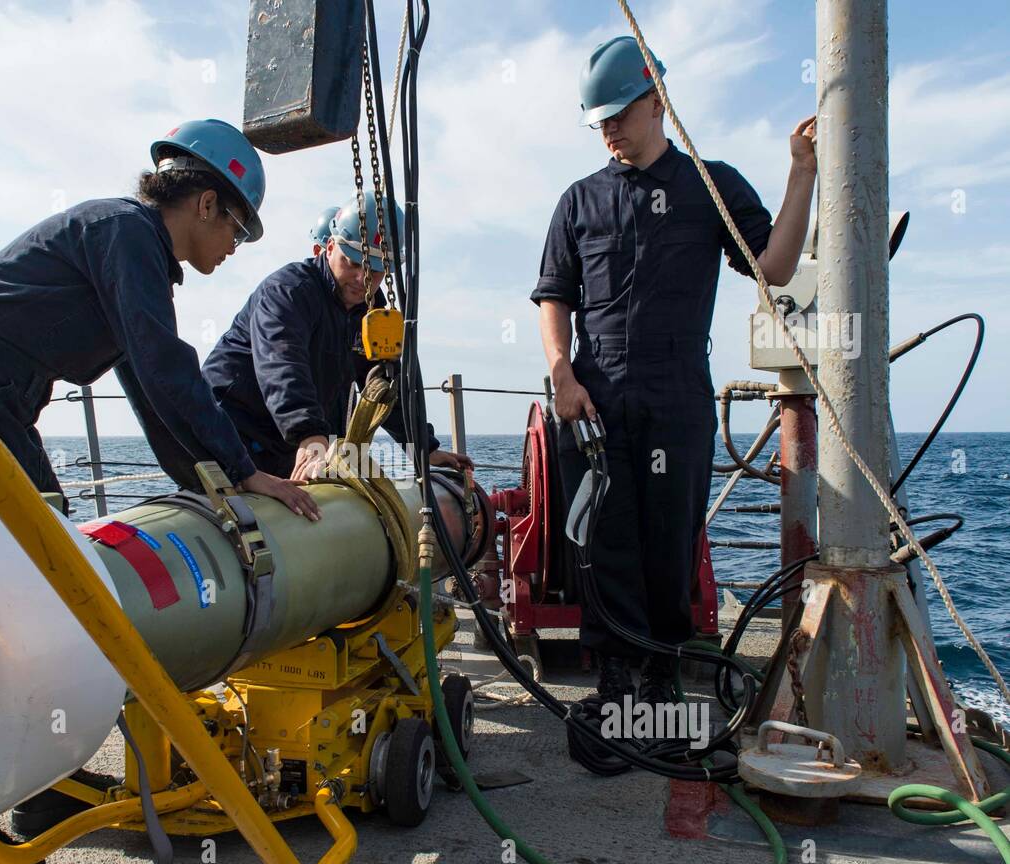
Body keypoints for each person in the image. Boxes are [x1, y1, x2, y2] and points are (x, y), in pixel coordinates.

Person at [0, 117, 319, 864]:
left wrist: (212, 490)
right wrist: (243, 469)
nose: (233, 252)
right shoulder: (127, 235)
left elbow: (151, 393)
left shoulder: (126, 250)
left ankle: (33, 783)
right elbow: (165, 366)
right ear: (207, 204)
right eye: (239, 231)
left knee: (44, 594)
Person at [531, 37, 815, 707]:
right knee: (604, 541)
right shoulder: (577, 202)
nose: (608, 132)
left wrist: (801, 171)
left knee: (669, 540)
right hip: (595, 398)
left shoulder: (709, 186)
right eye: (598, 122)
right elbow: (554, 297)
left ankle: (661, 676)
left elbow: (772, 266)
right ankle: (615, 680)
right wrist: (561, 374)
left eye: (619, 116)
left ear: (658, 100)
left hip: (677, 396)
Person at [200, 191, 472, 485]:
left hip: (287, 445)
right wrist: (309, 435)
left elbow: (384, 385)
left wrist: (423, 449)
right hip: (229, 435)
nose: (361, 279)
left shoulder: (371, 313)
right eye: (353, 263)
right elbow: (282, 365)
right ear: (329, 247)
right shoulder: (288, 292)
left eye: (376, 271)